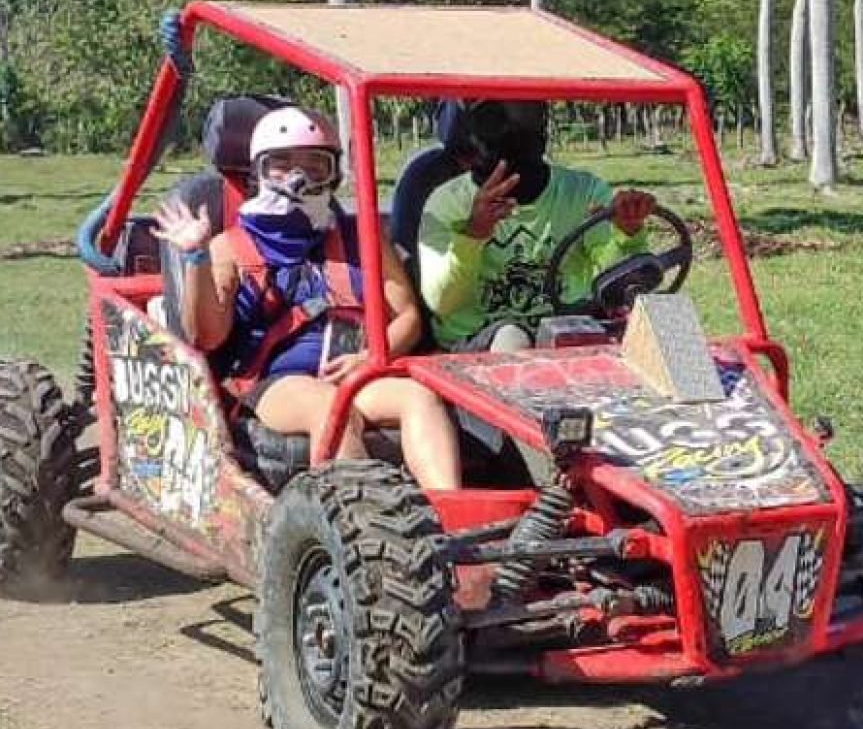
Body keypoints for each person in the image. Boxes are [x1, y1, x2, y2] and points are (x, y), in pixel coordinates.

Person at [153, 105, 461, 487]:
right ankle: (360, 524)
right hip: (278, 383)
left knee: (418, 397)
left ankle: (449, 519)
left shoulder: (360, 237)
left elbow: (408, 319)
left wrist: (369, 360)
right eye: (281, 164)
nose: (298, 177)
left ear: (333, 173)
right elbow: (206, 337)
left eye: (315, 165)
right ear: (259, 172)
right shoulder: (228, 248)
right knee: (331, 409)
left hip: (357, 374)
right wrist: (196, 255)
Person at [417, 99, 656, 351]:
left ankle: (695, 385)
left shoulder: (584, 192)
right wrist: (473, 234)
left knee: (666, 321)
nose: (514, 133)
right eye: (498, 121)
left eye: (528, 115)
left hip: (568, 332)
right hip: (477, 340)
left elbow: (617, 287)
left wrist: (627, 232)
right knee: (512, 337)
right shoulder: (448, 202)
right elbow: (441, 301)